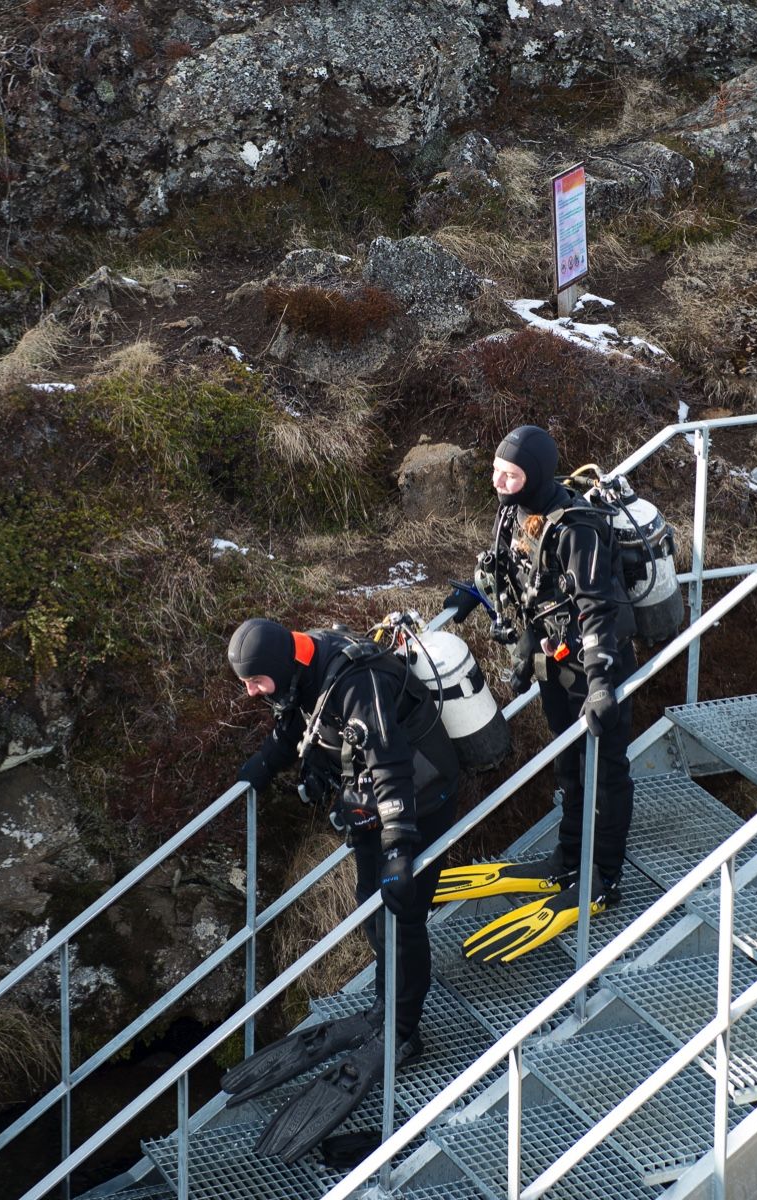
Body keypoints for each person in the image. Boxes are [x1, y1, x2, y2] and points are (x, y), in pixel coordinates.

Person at [219, 617, 458, 1163]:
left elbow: (390, 763)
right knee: (371, 910)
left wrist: (401, 849)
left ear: (276, 665)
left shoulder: (358, 680)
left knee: (403, 910)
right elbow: (293, 726)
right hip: (375, 811)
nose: (250, 691)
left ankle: (404, 1028)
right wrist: (260, 766)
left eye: (254, 681)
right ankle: (385, 1004)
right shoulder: (303, 669)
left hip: (420, 797)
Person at [438, 424, 637, 962]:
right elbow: (525, 582)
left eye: (512, 472)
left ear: (539, 474)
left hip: (595, 670)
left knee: (606, 770)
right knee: (569, 768)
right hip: (554, 662)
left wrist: (600, 687)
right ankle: (570, 857)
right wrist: (527, 648)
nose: (499, 480)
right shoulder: (512, 510)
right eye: (497, 470)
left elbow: (597, 607)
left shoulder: (579, 528)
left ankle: (604, 876)